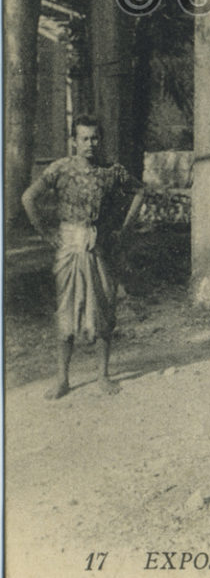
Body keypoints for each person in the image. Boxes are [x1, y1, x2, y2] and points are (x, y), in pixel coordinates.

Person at [20, 114, 145, 399]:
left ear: (101, 140)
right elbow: (28, 198)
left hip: (100, 248)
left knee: (103, 308)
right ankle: (63, 379)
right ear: (74, 141)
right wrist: (46, 233)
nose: (90, 143)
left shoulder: (111, 171)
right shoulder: (60, 168)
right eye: (84, 138)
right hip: (69, 249)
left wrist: (125, 230)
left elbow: (140, 191)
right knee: (67, 311)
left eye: (95, 138)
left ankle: (103, 375)